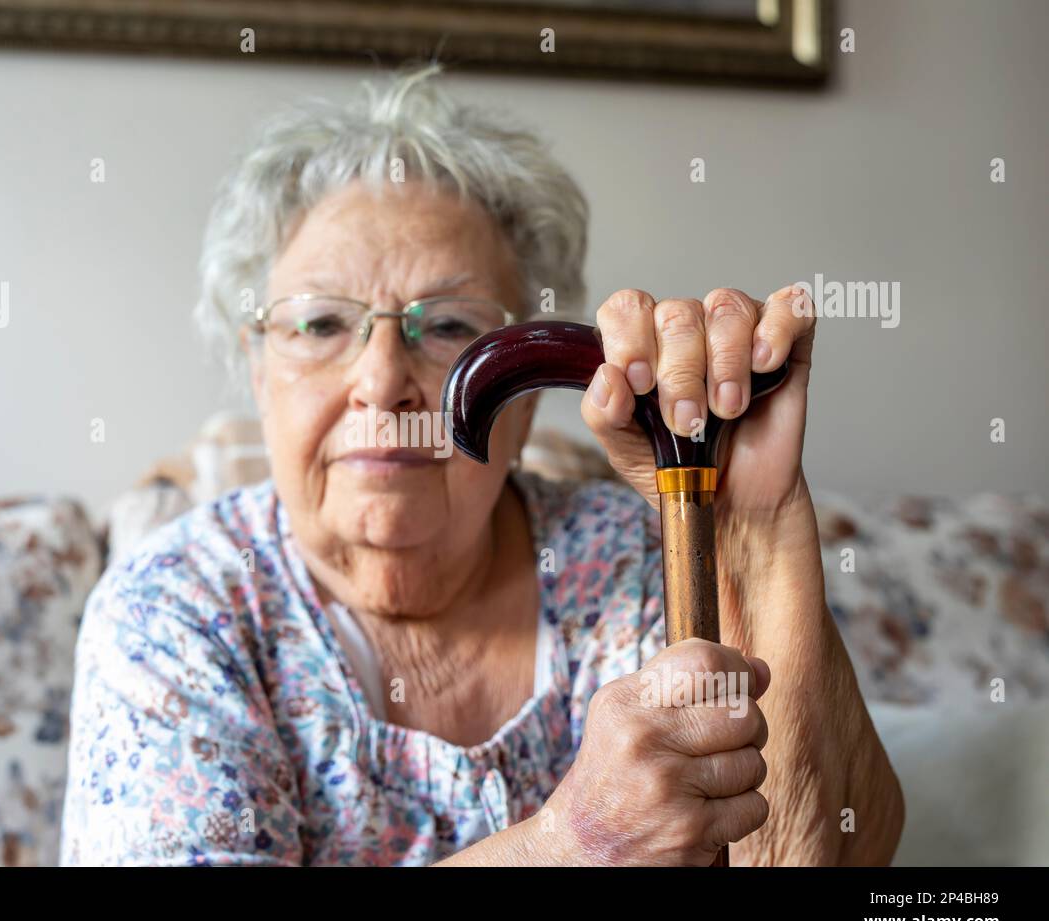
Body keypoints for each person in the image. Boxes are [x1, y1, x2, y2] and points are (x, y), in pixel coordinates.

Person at [59, 64, 903, 866]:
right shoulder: (176, 612)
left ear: (527, 387)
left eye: (453, 325)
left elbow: (818, 853)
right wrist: (563, 847)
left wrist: (749, 540)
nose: (383, 382)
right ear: (258, 370)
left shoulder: (637, 560)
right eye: (320, 326)